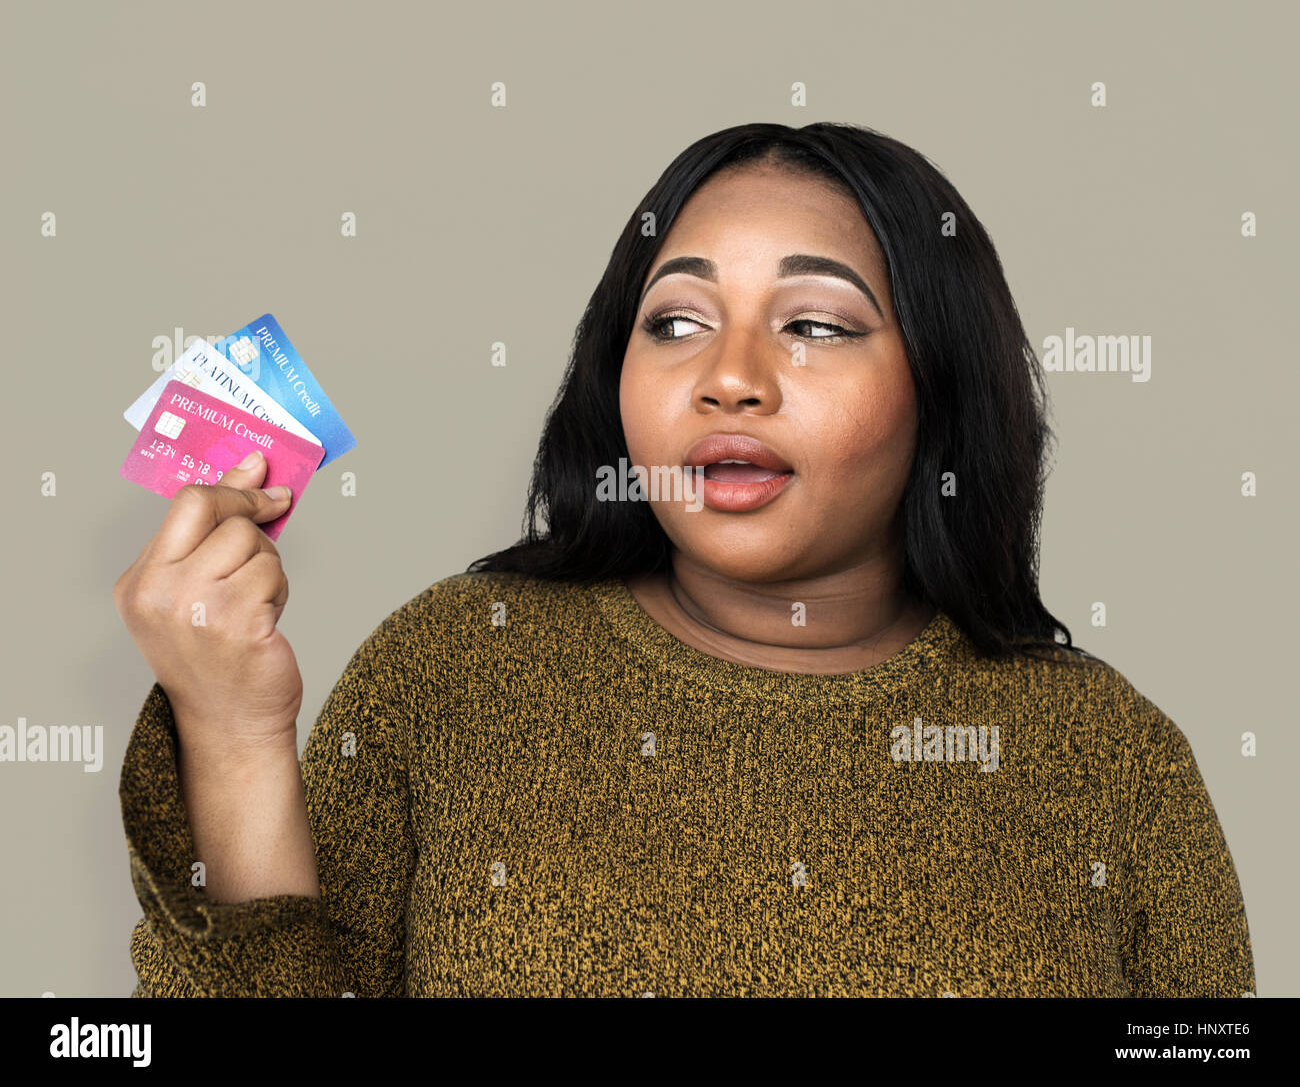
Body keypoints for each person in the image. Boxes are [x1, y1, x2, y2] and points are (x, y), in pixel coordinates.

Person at [114, 121, 1254, 996]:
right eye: (674, 322)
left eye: (814, 324)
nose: (730, 376)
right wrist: (232, 736)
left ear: (939, 387)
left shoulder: (1113, 763)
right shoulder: (455, 668)